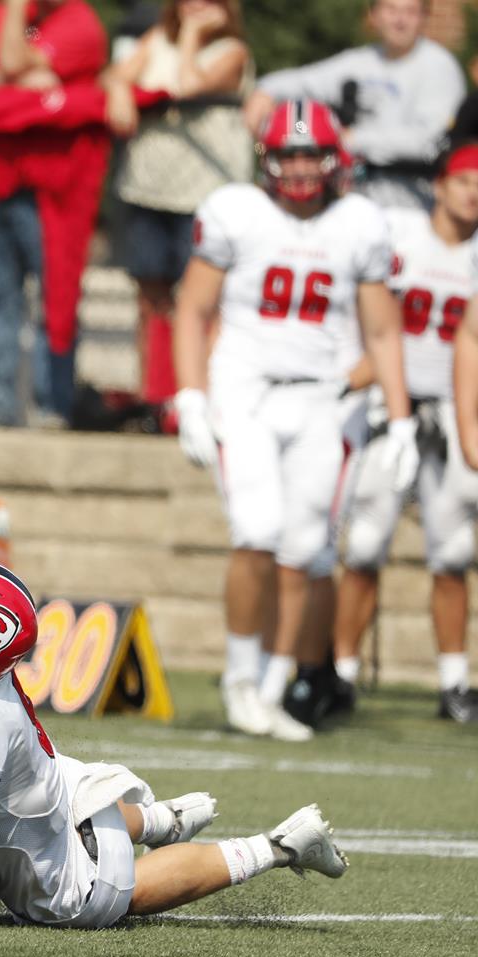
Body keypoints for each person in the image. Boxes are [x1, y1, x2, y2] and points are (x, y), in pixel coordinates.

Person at [0, 556, 349, 929]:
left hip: (54, 877)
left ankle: (277, 846)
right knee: (76, 819)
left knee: (123, 894)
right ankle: (164, 820)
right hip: (56, 791)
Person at [174, 100, 416, 742]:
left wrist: (401, 419)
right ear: (267, 158)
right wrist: (191, 395)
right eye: (290, 153)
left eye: (312, 154)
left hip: (325, 400)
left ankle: (275, 687)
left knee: (305, 550)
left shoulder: (360, 222)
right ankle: (239, 679)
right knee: (256, 529)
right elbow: (193, 308)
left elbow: (383, 329)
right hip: (246, 389)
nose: (301, 167)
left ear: (336, 160)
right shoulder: (236, 211)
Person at [334, 146, 478, 725]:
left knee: (454, 553)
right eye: (464, 180)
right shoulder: (398, 233)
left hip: (450, 411)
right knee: (365, 546)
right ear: (439, 185)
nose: (473, 192)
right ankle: (339, 674)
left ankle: (454, 682)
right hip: (387, 405)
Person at [0, 0, 109, 428]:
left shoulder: (80, 22)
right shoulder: (9, 12)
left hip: (52, 191)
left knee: (55, 301)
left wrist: (6, 67)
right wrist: (14, 80)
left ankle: (51, 406)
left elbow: (15, 58)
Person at [101, 0, 252, 403]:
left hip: (204, 196)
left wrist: (191, 35)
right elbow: (114, 74)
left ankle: (200, 392)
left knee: (200, 298)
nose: (195, 6)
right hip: (147, 187)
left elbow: (187, 85)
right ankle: (154, 392)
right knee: (151, 296)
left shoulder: (232, 52)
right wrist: (118, 89)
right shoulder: (155, 40)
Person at [243, 0, 462, 211]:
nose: (400, 20)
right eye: (391, 9)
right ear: (373, 15)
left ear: (425, 17)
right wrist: (264, 91)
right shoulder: (362, 61)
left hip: (413, 203)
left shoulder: (439, 67)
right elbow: (305, 81)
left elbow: (429, 141)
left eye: (410, 11)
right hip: (357, 195)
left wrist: (350, 139)